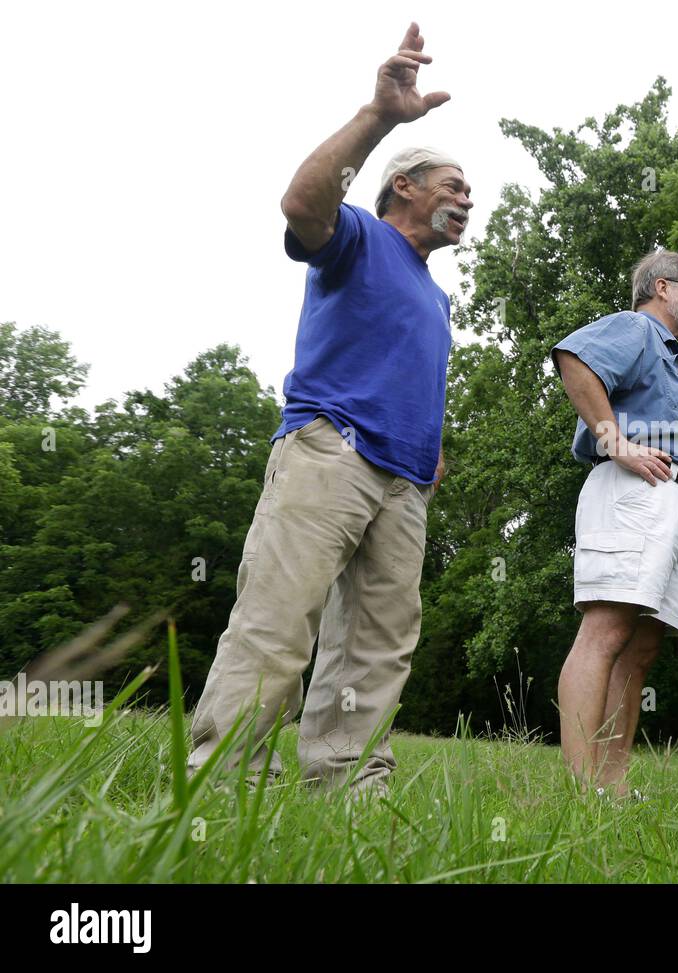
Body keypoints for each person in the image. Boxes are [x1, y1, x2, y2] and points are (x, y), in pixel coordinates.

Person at [187, 23, 473, 797]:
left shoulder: (435, 293)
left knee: (378, 647)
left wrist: (432, 450)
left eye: (470, 193)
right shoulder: (358, 236)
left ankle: (348, 787)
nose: (466, 200)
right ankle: (223, 784)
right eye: (453, 185)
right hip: (329, 453)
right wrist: (380, 116)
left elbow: (410, 370)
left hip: (403, 482)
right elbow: (301, 201)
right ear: (402, 188)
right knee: (280, 623)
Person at [550, 250, 678, 797]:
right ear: (662, 287)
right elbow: (575, 357)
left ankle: (611, 788)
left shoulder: (672, 360)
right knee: (606, 632)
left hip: (676, 503)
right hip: (634, 491)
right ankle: (580, 788)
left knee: (641, 649)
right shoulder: (636, 328)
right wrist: (614, 442)